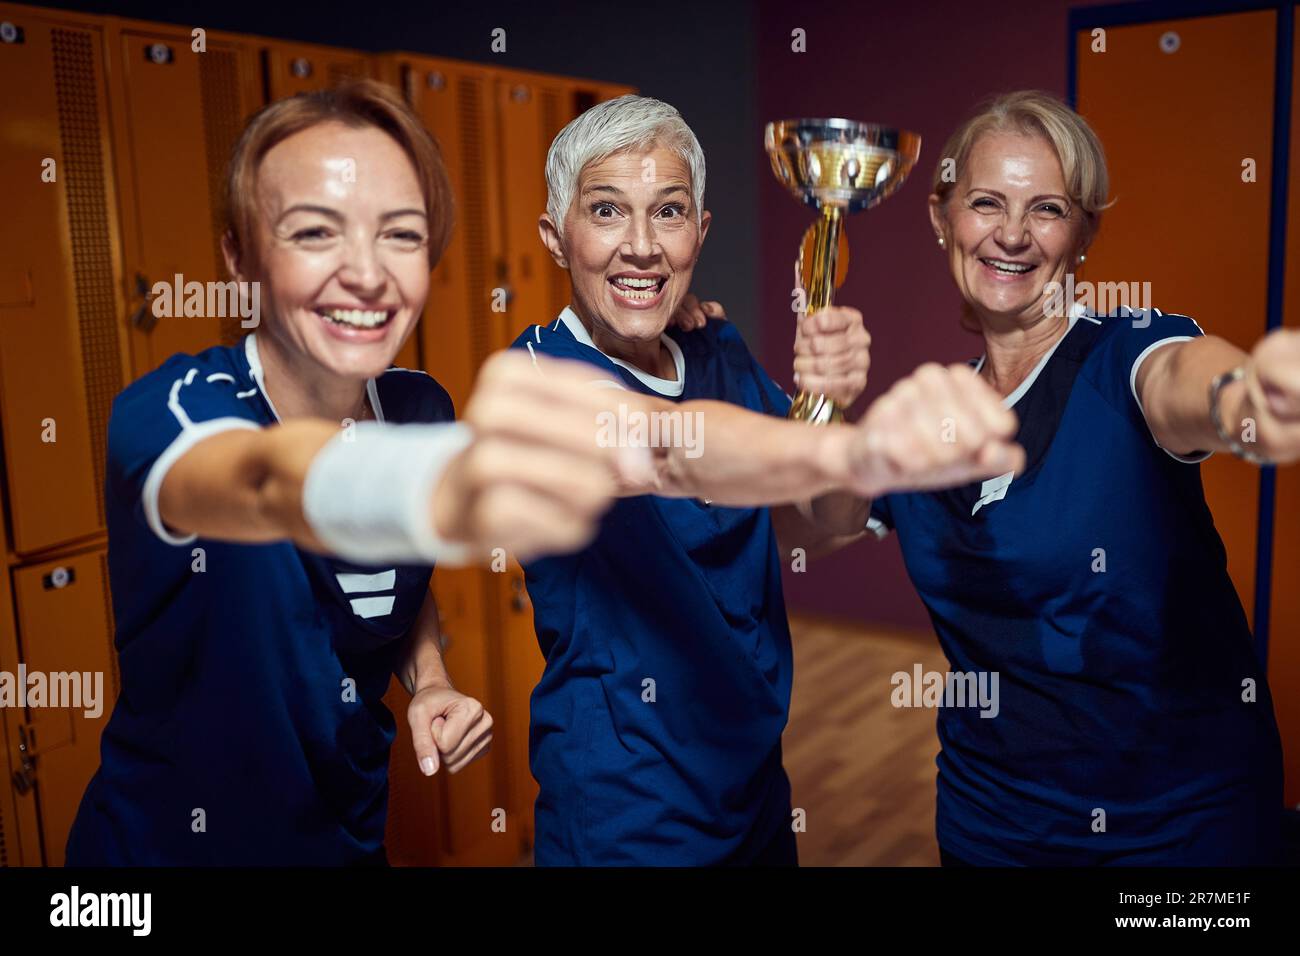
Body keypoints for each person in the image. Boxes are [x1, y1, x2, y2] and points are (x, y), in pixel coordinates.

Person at [66, 80, 655, 865]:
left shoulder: (417, 406)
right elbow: (266, 481)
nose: (367, 274)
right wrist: (463, 474)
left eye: (401, 235)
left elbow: (384, 582)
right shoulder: (172, 412)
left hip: (346, 836)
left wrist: (431, 679)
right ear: (239, 256)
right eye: (315, 232)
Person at [511, 94, 1026, 865]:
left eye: (670, 212)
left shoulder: (714, 347)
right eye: (608, 212)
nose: (643, 247)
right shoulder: (533, 378)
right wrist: (865, 450)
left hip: (754, 785)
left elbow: (821, 521)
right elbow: (672, 450)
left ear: (700, 232)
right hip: (626, 810)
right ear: (557, 236)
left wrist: (834, 406)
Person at [859, 90, 1297, 865]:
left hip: (1177, 827)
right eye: (986, 203)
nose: (1014, 235)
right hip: (991, 822)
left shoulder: (1127, 353)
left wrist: (1249, 396)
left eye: (1049, 209)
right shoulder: (929, 412)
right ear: (941, 218)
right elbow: (804, 521)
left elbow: (1186, 381)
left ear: (1084, 232)